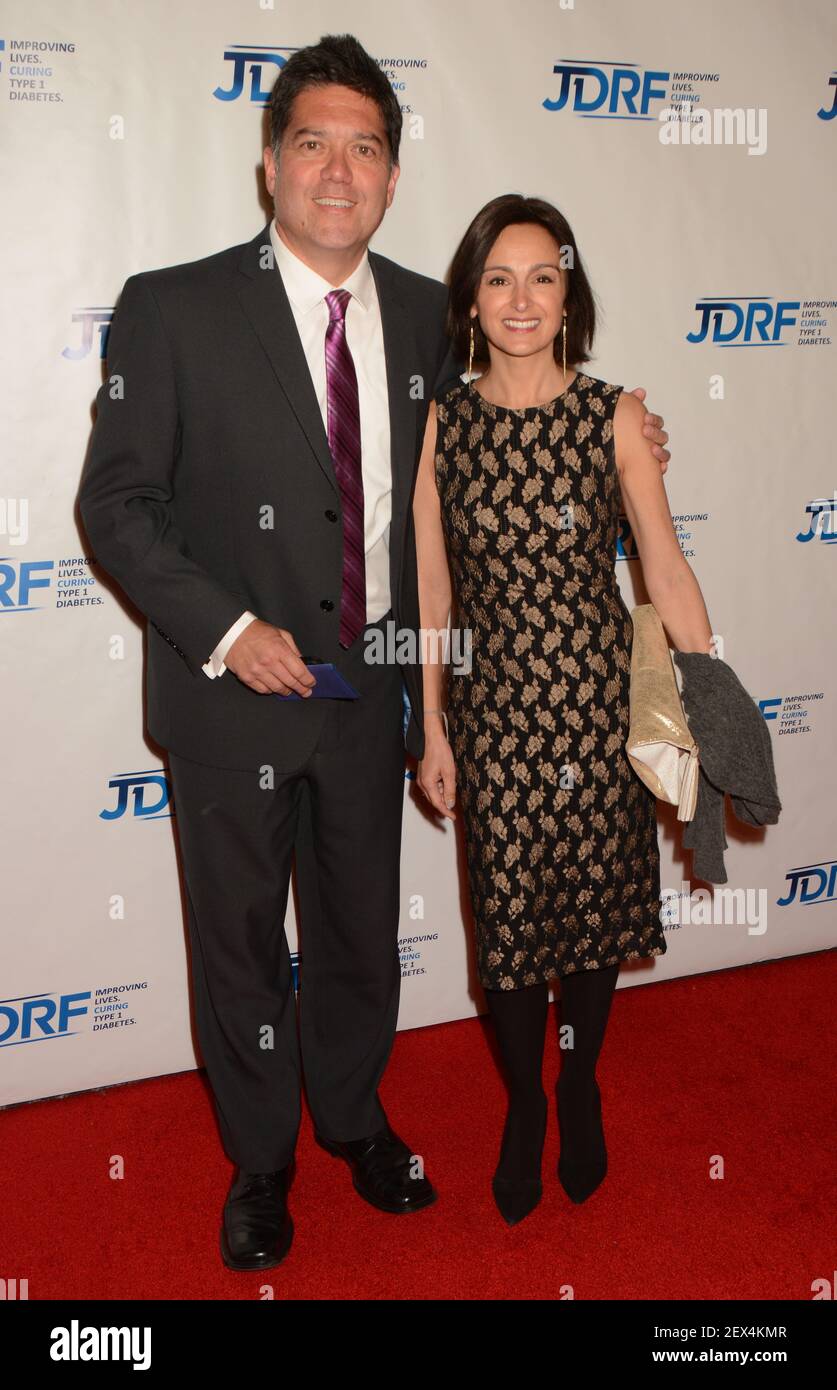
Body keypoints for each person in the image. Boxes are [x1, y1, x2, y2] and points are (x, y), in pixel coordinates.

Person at [78, 33, 671, 1272]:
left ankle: (353, 1121)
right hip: (229, 701)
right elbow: (117, 506)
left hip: (372, 696)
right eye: (314, 143)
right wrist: (232, 633)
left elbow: (510, 416)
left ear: (393, 178)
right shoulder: (172, 307)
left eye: (366, 148)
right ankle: (261, 1162)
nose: (339, 170)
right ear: (270, 163)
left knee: (356, 932)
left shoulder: (423, 314)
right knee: (239, 942)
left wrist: (630, 436)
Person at [413, 194, 713, 1225]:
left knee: (589, 924)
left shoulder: (614, 414)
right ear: (472, 298)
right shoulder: (442, 425)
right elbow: (436, 594)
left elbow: (664, 572)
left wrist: (709, 690)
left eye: (544, 276)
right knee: (506, 933)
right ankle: (525, 1104)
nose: (522, 297)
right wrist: (435, 723)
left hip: (598, 709)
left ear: (570, 292)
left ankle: (578, 1085)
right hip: (496, 716)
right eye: (500, 277)